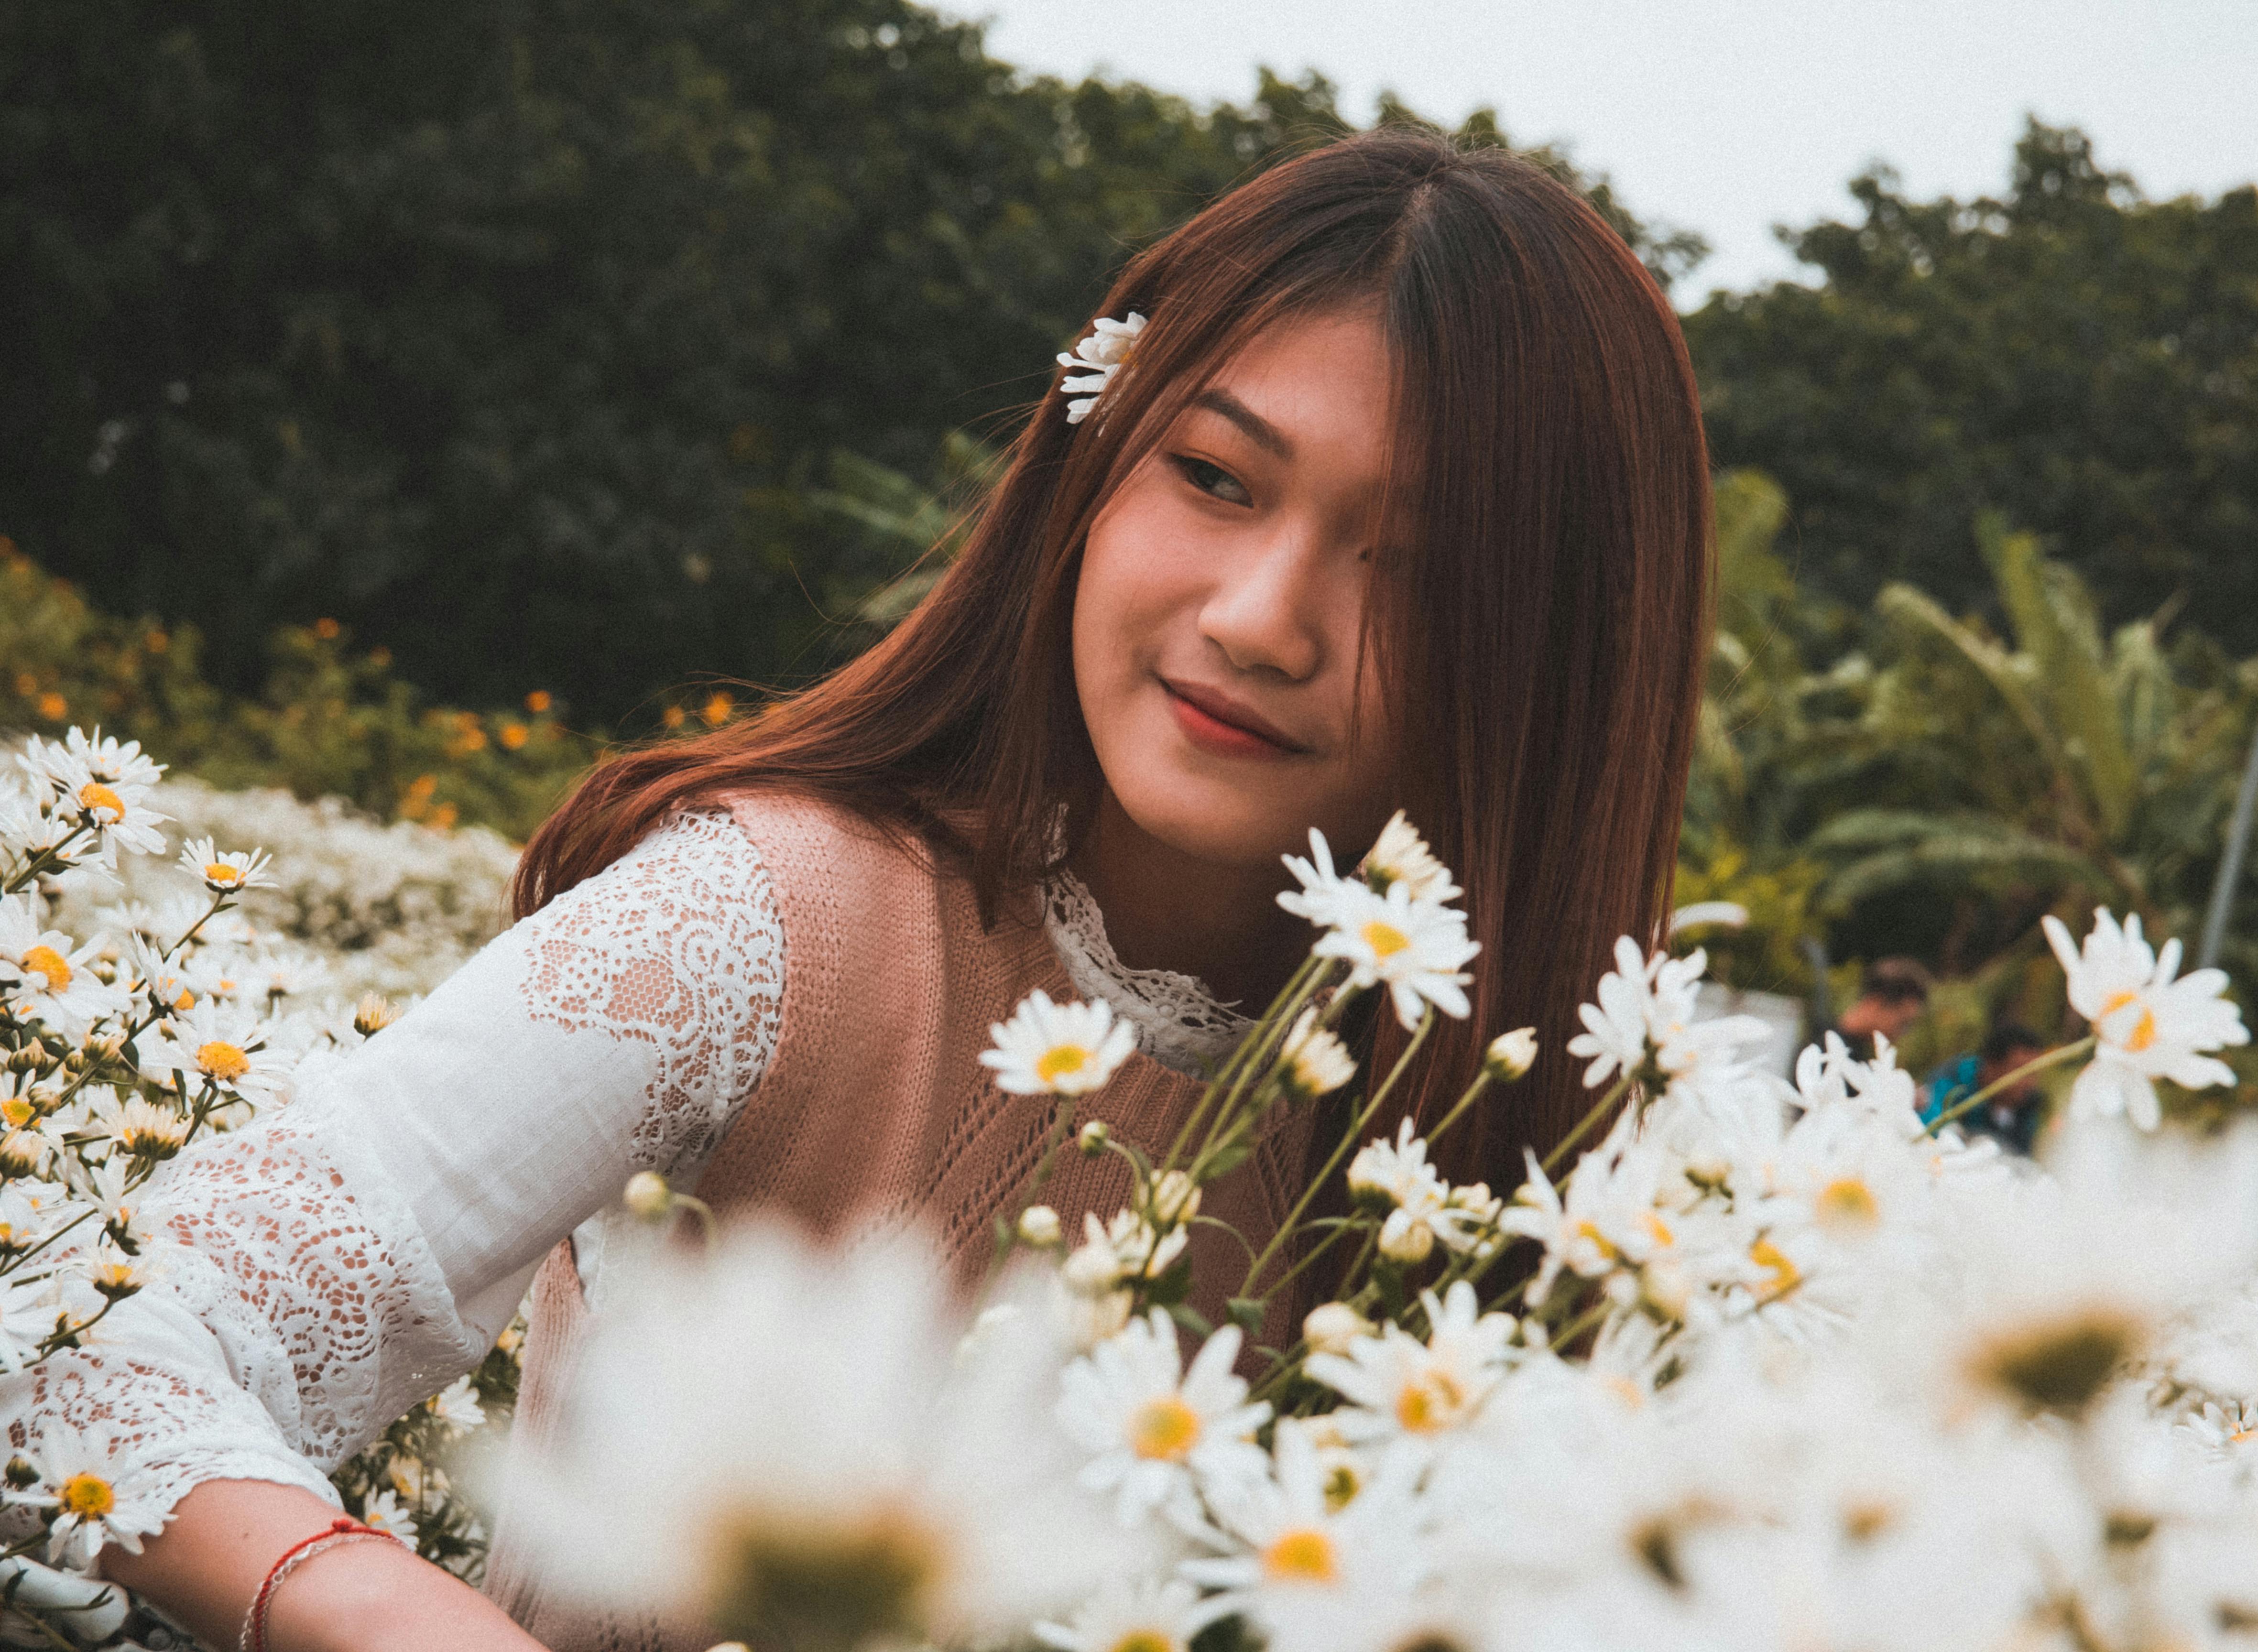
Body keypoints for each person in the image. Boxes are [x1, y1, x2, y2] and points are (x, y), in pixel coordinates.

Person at [28, 130, 1716, 1650]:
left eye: (1414, 567)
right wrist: (388, 1613)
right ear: (1092, 458)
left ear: (1560, 662)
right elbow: (82, 1353)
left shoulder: (1564, 1176)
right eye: (1214, 476)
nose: (1264, 617)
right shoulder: (772, 924)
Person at [1919, 1023, 2049, 1155]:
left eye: (2035, 1074)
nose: (2030, 1083)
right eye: (2022, 1072)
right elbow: (1930, 1125)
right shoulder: (1951, 1082)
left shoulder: (2028, 1106)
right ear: (1991, 1065)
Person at [1835, 956, 1933, 1048]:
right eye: (1903, 1024)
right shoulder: (1834, 1051)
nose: (1900, 1035)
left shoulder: (1850, 1048)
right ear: (1876, 1003)